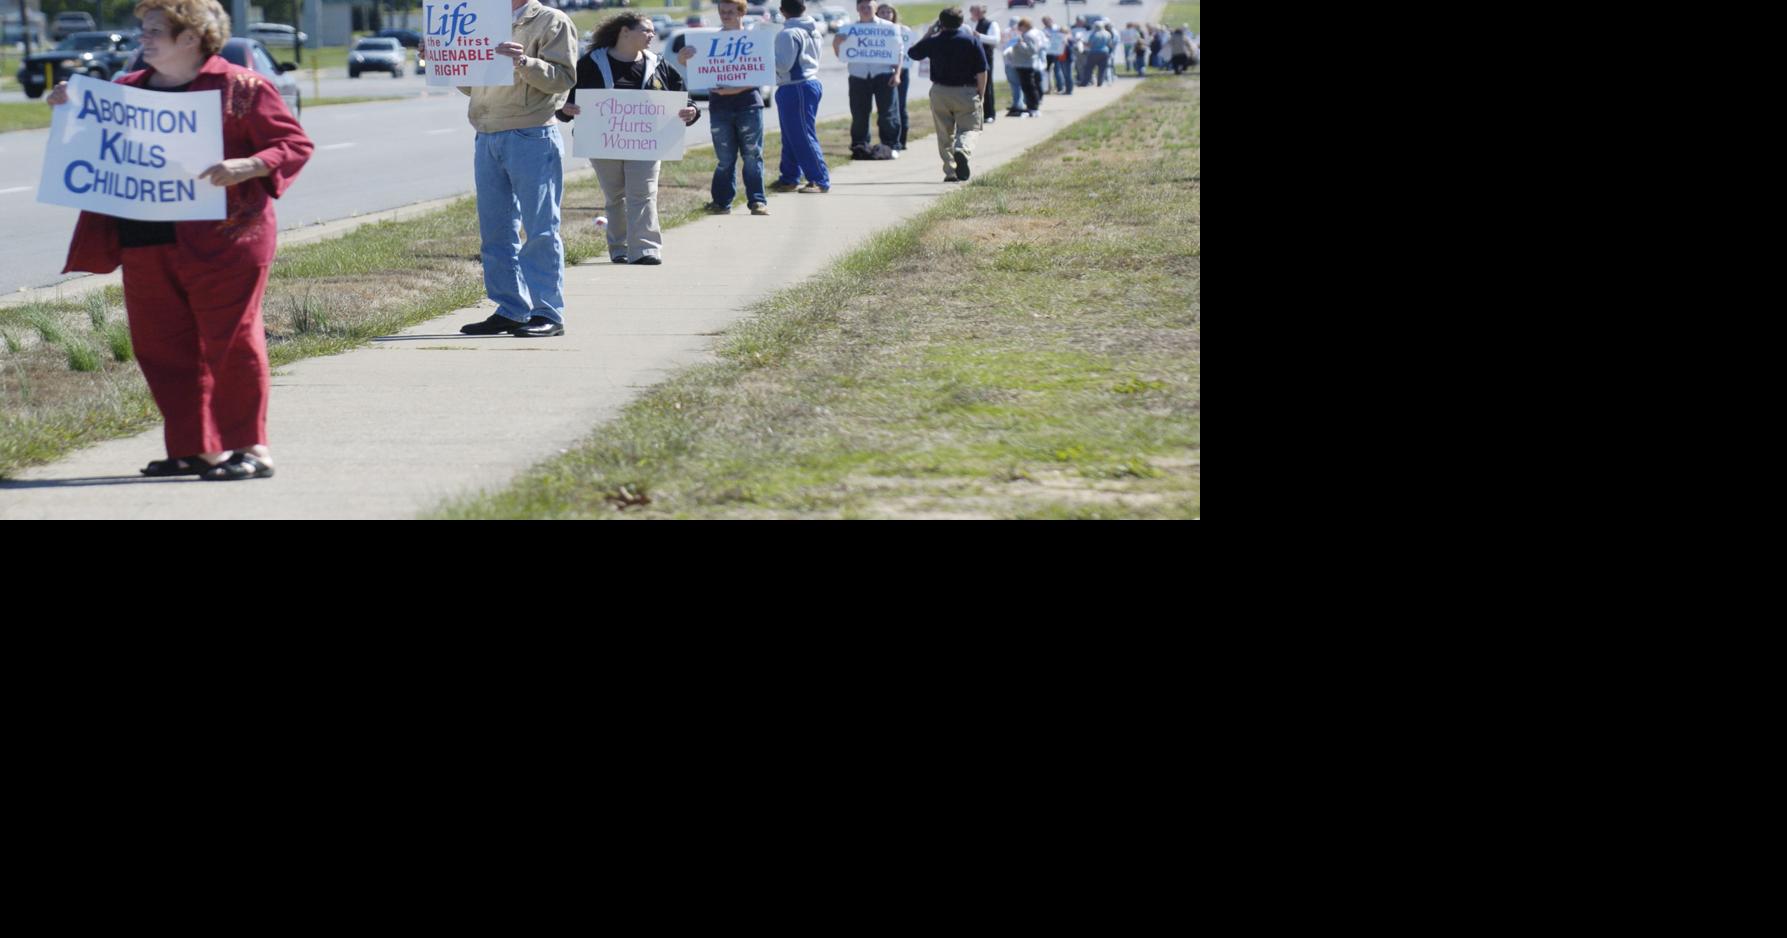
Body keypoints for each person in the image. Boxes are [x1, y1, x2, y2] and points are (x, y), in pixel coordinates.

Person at [54, 0, 312, 481]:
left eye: (154, 31)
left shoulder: (241, 86)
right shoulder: (126, 89)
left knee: (232, 343)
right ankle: (197, 449)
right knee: (161, 347)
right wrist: (71, 108)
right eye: (144, 30)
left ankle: (251, 447)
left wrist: (248, 164)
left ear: (190, 39)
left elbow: (294, 144)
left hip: (226, 238)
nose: (143, 39)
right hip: (144, 237)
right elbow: (92, 147)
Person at [457, 0, 578, 338]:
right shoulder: (480, 20)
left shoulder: (552, 21)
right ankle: (511, 308)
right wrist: (445, 58)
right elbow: (472, 85)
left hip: (532, 132)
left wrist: (524, 62)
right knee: (495, 231)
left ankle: (548, 312)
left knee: (540, 228)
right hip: (486, 132)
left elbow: (564, 78)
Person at [559, 12, 700, 265]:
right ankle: (619, 248)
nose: (652, 35)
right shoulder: (591, 63)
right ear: (624, 32)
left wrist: (692, 110)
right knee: (615, 196)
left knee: (643, 193)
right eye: (646, 30)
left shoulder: (658, 64)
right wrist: (565, 109)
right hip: (602, 143)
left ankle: (645, 249)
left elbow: (681, 96)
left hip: (647, 144)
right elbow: (565, 99)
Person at [678, 0, 769, 215]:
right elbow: (698, 69)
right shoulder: (708, 42)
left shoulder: (754, 40)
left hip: (749, 105)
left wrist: (734, 90)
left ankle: (757, 201)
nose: (726, 15)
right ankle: (721, 202)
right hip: (719, 107)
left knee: (752, 155)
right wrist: (683, 59)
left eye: (730, 11)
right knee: (725, 158)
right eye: (722, 11)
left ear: (741, 12)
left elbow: (762, 73)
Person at [906, 6, 986, 183]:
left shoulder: (934, 41)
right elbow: (982, 70)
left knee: (944, 133)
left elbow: (913, 53)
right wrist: (982, 92)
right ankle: (962, 150)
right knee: (971, 128)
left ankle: (950, 171)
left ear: (940, 23)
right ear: (961, 23)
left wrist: (929, 32)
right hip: (966, 90)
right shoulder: (971, 41)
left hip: (940, 91)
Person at [769, 0, 830, 193]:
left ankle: (819, 179)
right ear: (804, 8)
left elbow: (783, 65)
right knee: (790, 135)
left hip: (796, 86)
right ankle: (789, 177)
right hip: (807, 83)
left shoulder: (788, 33)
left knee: (802, 135)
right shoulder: (813, 30)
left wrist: (763, 56)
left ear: (782, 11)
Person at [833, 0, 902, 156]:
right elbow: (841, 55)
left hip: (883, 74)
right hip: (858, 76)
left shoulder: (889, 27)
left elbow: (898, 52)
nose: (865, 10)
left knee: (887, 113)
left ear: (875, 8)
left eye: (869, 7)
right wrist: (837, 42)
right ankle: (860, 145)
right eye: (862, 7)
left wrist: (897, 74)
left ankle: (891, 145)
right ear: (857, 9)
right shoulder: (849, 29)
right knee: (859, 113)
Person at [877, 4, 913, 151]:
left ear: (893, 14)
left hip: (901, 71)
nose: (886, 14)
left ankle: (902, 140)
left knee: (901, 106)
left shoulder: (904, 30)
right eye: (882, 12)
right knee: (885, 108)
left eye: (888, 12)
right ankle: (887, 141)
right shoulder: (873, 30)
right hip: (883, 71)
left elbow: (908, 51)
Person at [1004, 17, 1043, 117]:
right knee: (1026, 87)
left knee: (1029, 87)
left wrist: (1021, 44)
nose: (1019, 29)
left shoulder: (1029, 35)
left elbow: (1032, 51)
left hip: (1026, 65)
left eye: (1020, 27)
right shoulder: (1025, 35)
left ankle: (1034, 107)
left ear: (1025, 26)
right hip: (1021, 65)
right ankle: (1030, 106)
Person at [967, 5, 999, 124]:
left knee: (987, 85)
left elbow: (995, 39)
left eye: (978, 11)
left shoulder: (991, 24)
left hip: (985, 57)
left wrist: (979, 36)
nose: (976, 14)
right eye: (974, 11)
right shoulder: (967, 24)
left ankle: (989, 113)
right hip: (970, 58)